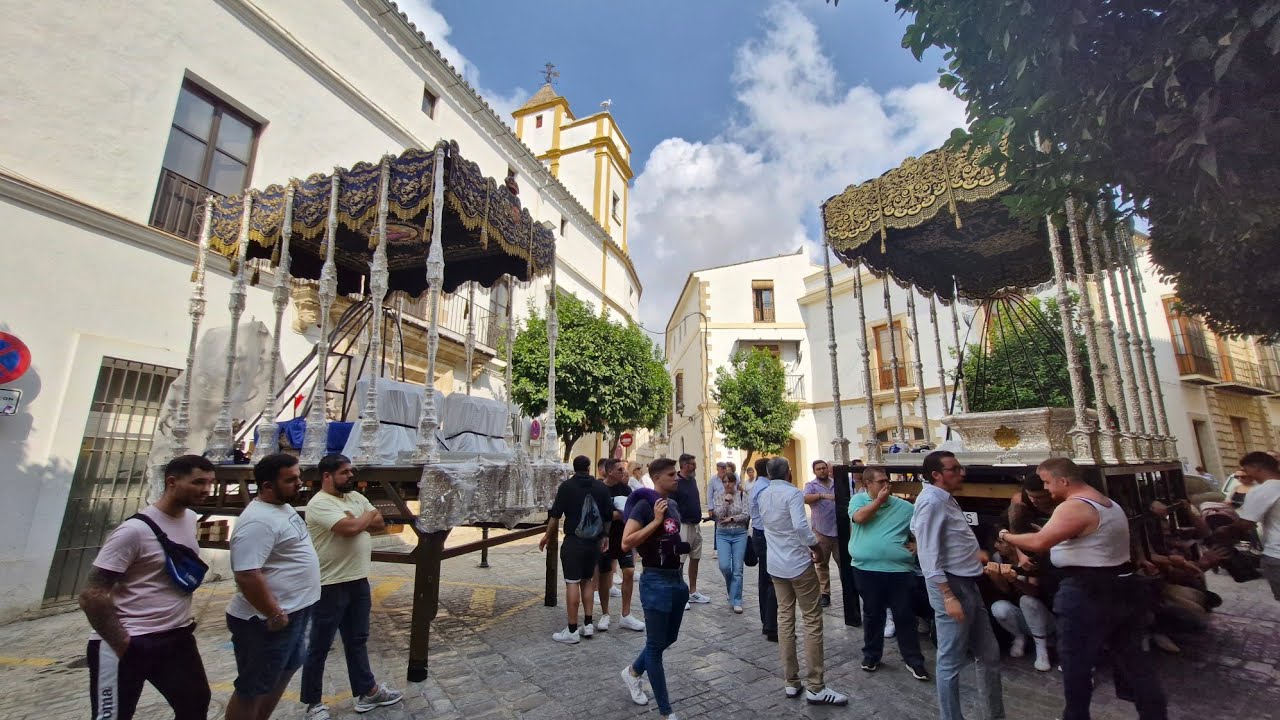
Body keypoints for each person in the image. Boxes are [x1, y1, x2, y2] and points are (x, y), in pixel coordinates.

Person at [1002, 457, 1166, 720]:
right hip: (1121, 584)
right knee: (1132, 659)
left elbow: (1040, 541)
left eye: (1047, 482)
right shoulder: (1107, 503)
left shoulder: (1075, 506)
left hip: (1089, 589)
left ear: (1063, 480)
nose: (1046, 489)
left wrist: (1006, 536)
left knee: (1076, 662)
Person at [79, 454, 215, 720]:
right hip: (130, 640)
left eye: (210, 482)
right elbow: (92, 594)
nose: (206, 490)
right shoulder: (133, 531)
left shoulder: (189, 519)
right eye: (198, 482)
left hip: (176, 638)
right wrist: (123, 644)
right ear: (172, 482)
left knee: (195, 704)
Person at [300, 454, 402, 719]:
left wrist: (361, 519)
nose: (350, 477)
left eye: (350, 472)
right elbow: (350, 528)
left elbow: (380, 522)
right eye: (344, 473)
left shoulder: (354, 498)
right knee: (320, 645)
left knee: (357, 639)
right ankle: (313, 702)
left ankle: (367, 691)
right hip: (329, 584)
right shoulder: (320, 504)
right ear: (327, 476)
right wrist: (363, 518)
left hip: (358, 580)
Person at [226, 453, 322, 720]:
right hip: (266, 620)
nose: (299, 483)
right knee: (253, 688)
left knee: (280, 675)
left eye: (298, 477)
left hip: (295, 611)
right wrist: (274, 613)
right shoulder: (257, 521)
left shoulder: (282, 507)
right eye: (291, 480)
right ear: (267, 486)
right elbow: (246, 574)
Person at [911, 450, 1004, 720]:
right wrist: (947, 595)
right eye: (954, 469)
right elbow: (927, 553)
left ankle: (994, 714)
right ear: (936, 475)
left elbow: (918, 529)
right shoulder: (931, 501)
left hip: (966, 582)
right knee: (950, 660)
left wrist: (970, 553)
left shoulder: (942, 499)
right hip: (951, 585)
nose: (961, 472)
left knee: (989, 653)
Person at [759, 457, 848, 705]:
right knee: (812, 620)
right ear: (788, 472)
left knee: (785, 619)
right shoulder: (793, 494)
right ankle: (816, 685)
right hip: (798, 564)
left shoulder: (764, 494)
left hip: (776, 565)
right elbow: (800, 526)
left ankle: (791, 681)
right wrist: (815, 548)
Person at [619, 458, 691, 720]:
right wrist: (655, 520)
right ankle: (666, 711)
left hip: (676, 580)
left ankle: (633, 672)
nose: (676, 478)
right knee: (654, 646)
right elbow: (627, 543)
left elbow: (670, 538)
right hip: (655, 581)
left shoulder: (672, 504)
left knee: (668, 639)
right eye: (672, 475)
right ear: (657, 478)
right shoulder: (643, 505)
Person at [849, 466, 929, 680]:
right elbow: (859, 518)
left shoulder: (904, 508)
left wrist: (918, 545)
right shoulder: (858, 501)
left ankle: (914, 660)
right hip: (866, 568)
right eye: (880, 481)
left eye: (887, 481)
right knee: (873, 614)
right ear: (868, 484)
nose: (886, 485)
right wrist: (878, 502)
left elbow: (923, 528)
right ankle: (872, 655)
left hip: (899, 570)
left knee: (904, 614)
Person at [540, 455, 613, 643]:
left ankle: (572, 629)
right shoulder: (600, 487)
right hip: (594, 542)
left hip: (574, 541)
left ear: (574, 468)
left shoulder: (566, 487)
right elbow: (608, 516)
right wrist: (605, 537)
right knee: (587, 581)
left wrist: (547, 536)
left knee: (572, 582)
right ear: (589, 467)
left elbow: (555, 516)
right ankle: (588, 624)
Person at [1213, 451, 1280, 601]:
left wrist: (1224, 530)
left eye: (1246, 469)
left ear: (1256, 467)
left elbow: (1246, 524)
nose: (1246, 474)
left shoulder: (1263, 490)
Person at [986, 532, 1053, 672]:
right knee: (999, 608)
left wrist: (1014, 580)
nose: (996, 545)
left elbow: (1035, 593)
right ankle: (1019, 636)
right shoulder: (999, 557)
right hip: (1023, 618)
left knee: (1027, 601)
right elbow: (1005, 592)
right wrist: (996, 578)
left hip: (1046, 618)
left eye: (1000, 541)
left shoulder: (1029, 558)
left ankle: (1041, 651)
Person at [598, 458, 646, 632]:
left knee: (629, 571)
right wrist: (616, 514)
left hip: (623, 537)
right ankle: (605, 614)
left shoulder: (626, 489)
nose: (623, 473)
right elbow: (598, 514)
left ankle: (626, 614)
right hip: (604, 538)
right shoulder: (600, 489)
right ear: (609, 471)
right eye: (620, 470)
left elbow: (631, 510)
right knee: (604, 576)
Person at [712, 471, 751, 613]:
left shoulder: (743, 495)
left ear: (735, 482)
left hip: (740, 533)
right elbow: (718, 515)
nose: (727, 484)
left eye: (730, 481)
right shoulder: (718, 495)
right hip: (722, 534)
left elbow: (746, 515)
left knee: (738, 568)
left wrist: (733, 518)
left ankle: (737, 600)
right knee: (724, 566)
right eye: (725, 482)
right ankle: (732, 590)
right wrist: (726, 502)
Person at [674, 454, 710, 604]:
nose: (695, 466)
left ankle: (693, 591)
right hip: (683, 526)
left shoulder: (693, 480)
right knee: (680, 562)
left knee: (695, 558)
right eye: (692, 464)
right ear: (684, 465)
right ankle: (680, 594)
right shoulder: (676, 482)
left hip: (696, 526)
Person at [750, 457, 778, 641]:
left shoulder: (757, 485)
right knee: (771, 580)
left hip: (759, 534)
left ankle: (766, 621)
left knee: (764, 578)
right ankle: (770, 625)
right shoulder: (765, 488)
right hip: (765, 535)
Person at [803, 459, 838, 606]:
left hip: (838, 530)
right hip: (821, 530)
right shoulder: (811, 486)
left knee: (844, 563)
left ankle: (850, 590)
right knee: (822, 564)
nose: (822, 471)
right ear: (814, 471)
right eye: (819, 469)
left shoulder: (836, 483)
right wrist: (821, 496)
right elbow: (804, 498)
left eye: (824, 468)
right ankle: (825, 593)